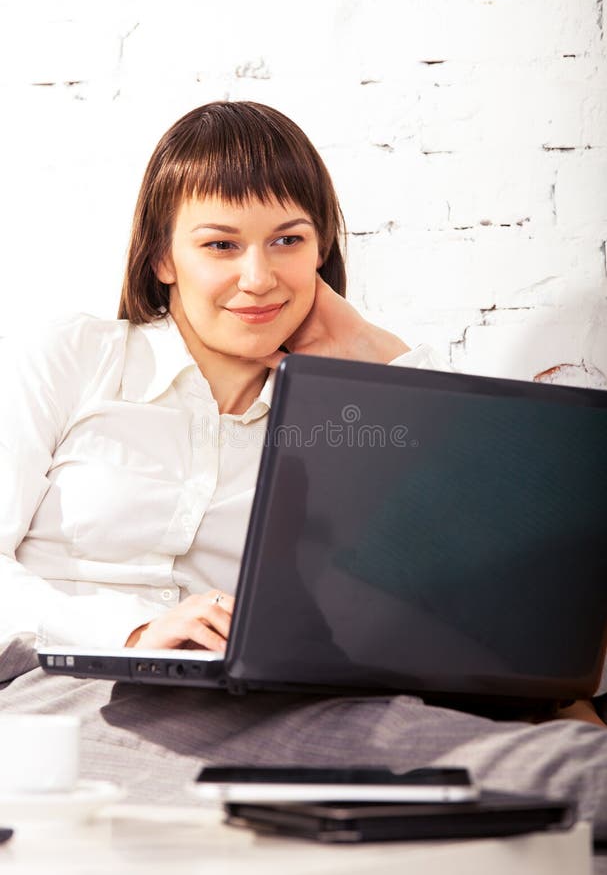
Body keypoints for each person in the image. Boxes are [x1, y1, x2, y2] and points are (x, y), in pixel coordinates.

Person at [1, 102, 607, 835]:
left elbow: (476, 581)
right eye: (220, 244)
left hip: (258, 700)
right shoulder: (77, 356)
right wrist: (133, 633)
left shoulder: (343, 416)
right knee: (543, 769)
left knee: (516, 751)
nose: (257, 278)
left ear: (319, 250)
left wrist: (372, 352)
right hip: (58, 689)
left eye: (287, 240)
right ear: (163, 257)